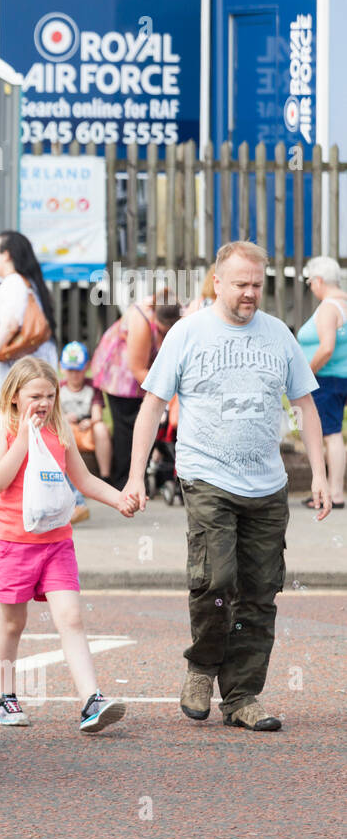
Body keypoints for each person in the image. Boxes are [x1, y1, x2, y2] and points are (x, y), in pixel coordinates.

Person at [124, 241, 332, 733]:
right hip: (207, 477)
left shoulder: (279, 335)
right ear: (217, 282)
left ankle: (242, 696)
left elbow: (305, 406)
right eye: (241, 284)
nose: (250, 293)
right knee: (216, 581)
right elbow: (152, 405)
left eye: (257, 285)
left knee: (260, 593)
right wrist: (135, 476)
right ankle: (201, 667)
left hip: (268, 487)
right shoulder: (187, 334)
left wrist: (320, 476)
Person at [0, 357, 136, 731]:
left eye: (50, 395)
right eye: (35, 395)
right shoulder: (1, 426)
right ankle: (4, 698)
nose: (43, 403)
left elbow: (82, 481)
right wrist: (22, 438)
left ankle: (91, 701)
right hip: (13, 542)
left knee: (71, 617)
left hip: (57, 543)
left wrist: (118, 499)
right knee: (13, 622)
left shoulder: (60, 430)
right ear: (15, 396)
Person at [0, 232, 88, 522]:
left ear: (8, 254)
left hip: (12, 378)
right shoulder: (22, 283)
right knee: (21, 435)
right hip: (13, 379)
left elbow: (9, 324)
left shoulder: (13, 284)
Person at [89, 290, 181, 489]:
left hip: (145, 371)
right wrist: (166, 394)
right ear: (156, 319)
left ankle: (145, 478)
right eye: (163, 331)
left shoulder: (177, 311)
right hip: (121, 374)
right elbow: (138, 369)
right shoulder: (141, 320)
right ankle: (123, 483)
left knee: (151, 426)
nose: (165, 336)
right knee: (126, 430)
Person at [299, 256, 347, 509]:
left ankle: (335, 493)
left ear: (318, 280)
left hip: (327, 378)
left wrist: (306, 373)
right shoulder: (344, 302)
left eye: (310, 282)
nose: (311, 287)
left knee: (330, 434)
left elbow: (326, 348)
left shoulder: (329, 307)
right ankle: (333, 489)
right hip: (339, 377)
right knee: (332, 433)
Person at [59, 341, 113, 481]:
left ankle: (105, 475)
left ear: (86, 367)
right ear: (62, 368)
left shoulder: (92, 387)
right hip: (67, 426)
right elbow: (54, 414)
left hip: (88, 427)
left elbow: (97, 415)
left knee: (100, 428)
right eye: (70, 370)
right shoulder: (58, 388)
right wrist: (64, 418)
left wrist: (90, 421)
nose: (74, 375)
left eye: (78, 370)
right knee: (63, 429)